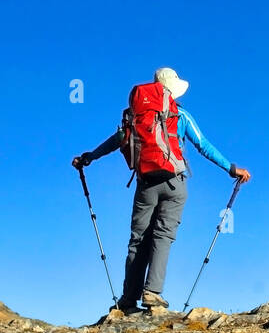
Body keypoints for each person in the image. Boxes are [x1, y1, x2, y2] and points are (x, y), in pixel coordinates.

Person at [72, 67, 250, 314]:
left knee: (137, 239)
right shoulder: (180, 115)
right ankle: (152, 293)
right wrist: (231, 169)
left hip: (146, 183)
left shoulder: (136, 115)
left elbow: (116, 141)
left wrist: (89, 157)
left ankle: (128, 297)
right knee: (163, 236)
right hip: (174, 183)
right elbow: (203, 145)